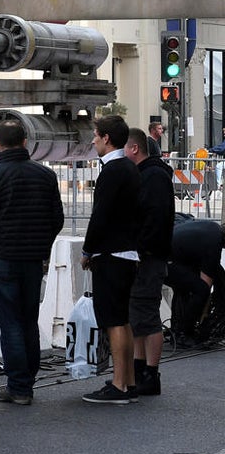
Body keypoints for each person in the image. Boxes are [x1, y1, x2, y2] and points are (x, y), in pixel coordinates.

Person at [0, 120, 64, 406]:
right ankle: (28, 378)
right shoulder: (45, 175)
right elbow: (57, 219)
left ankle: (19, 386)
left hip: (2, 258)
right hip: (33, 259)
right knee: (28, 320)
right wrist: (42, 245)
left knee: (9, 322)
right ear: (25, 142)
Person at [80, 114, 142, 405]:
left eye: (95, 135)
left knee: (113, 320)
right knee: (123, 320)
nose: (92, 140)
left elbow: (100, 215)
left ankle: (118, 385)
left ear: (106, 138)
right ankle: (128, 380)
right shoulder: (129, 168)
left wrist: (87, 250)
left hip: (111, 253)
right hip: (129, 252)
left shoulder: (113, 170)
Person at [124, 127, 174, 396]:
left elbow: (153, 219)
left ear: (134, 149)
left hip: (148, 257)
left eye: (124, 147)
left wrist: (140, 252)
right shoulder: (150, 174)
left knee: (147, 316)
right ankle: (141, 369)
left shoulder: (152, 176)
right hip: (148, 255)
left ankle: (150, 374)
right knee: (139, 316)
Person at [166, 218, 225, 347]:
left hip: (166, 255)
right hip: (164, 260)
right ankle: (183, 333)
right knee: (201, 290)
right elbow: (206, 284)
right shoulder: (214, 244)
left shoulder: (213, 228)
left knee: (188, 284)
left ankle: (178, 327)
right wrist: (204, 315)